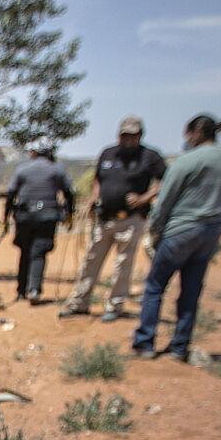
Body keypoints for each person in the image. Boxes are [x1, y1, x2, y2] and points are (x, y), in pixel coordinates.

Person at [132, 114, 221, 361]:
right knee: (191, 290)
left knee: (155, 287)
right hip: (210, 232)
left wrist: (155, 230)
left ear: (195, 133)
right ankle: (180, 347)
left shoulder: (187, 161)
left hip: (179, 231)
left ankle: (145, 343)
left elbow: (166, 201)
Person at [60, 115, 165, 321]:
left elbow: (164, 181)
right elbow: (98, 178)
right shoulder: (108, 154)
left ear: (140, 136)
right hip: (103, 218)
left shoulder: (150, 157)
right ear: (119, 135)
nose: (127, 140)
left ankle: (114, 306)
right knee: (90, 260)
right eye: (124, 135)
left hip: (131, 219)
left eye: (132, 136)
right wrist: (93, 197)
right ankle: (79, 302)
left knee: (123, 263)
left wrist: (144, 198)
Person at [2, 143, 76, 303]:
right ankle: (34, 289)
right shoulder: (57, 169)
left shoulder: (22, 169)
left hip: (24, 217)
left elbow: (10, 194)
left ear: (33, 153)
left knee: (25, 251)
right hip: (47, 217)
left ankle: (21, 291)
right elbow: (69, 194)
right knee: (39, 252)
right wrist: (70, 215)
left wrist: (5, 218)